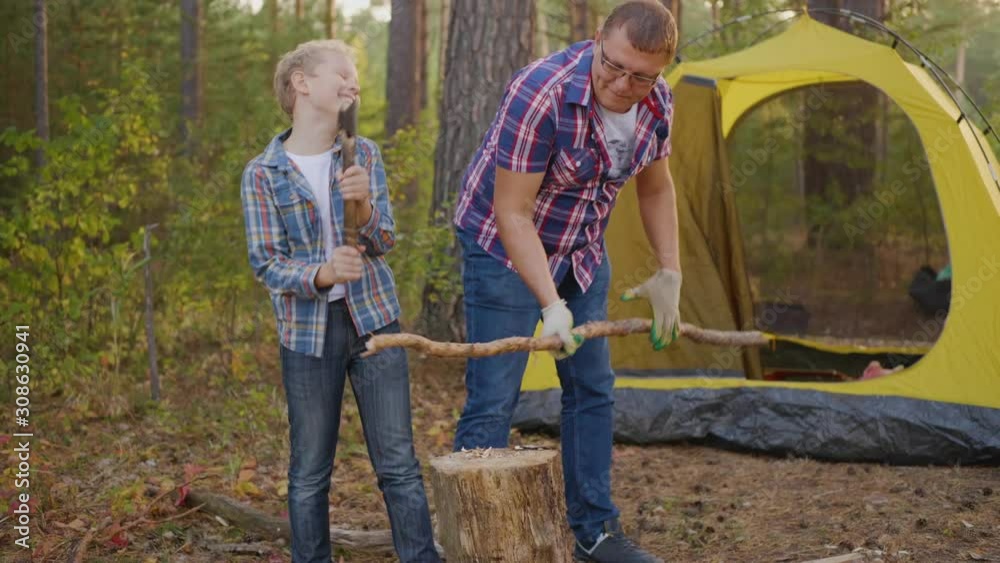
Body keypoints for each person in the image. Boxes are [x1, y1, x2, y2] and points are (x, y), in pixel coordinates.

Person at [452, 2, 682, 561]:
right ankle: (472, 540)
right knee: (494, 395)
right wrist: (551, 304)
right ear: (597, 37)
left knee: (593, 388)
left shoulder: (657, 102)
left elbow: (655, 188)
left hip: (581, 249)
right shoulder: (541, 91)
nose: (624, 84)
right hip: (501, 248)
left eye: (642, 76)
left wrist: (669, 270)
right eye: (615, 65)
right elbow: (513, 213)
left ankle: (594, 533)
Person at [240, 39, 440, 563]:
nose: (353, 84)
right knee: (309, 470)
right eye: (342, 74)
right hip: (307, 335)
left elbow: (385, 239)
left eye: (356, 78)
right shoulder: (263, 173)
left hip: (375, 321)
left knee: (398, 463)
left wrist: (366, 205)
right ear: (301, 83)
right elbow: (266, 262)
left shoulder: (362, 153)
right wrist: (323, 273)